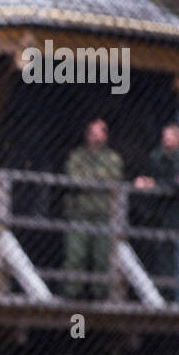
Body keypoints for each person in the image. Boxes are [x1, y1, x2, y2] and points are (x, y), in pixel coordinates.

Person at [134, 123, 179, 305]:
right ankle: (166, 299)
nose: (166, 140)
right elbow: (154, 176)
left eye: (170, 136)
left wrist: (154, 185)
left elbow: (178, 184)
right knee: (164, 260)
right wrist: (149, 182)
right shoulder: (157, 156)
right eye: (164, 136)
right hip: (163, 217)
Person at [63, 119, 123, 300]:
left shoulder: (113, 158)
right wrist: (98, 180)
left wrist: (90, 180)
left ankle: (100, 295)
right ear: (87, 135)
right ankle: (73, 294)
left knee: (102, 257)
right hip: (79, 212)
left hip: (103, 213)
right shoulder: (77, 157)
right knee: (75, 255)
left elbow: (114, 178)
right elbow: (74, 178)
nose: (97, 136)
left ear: (106, 135)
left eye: (101, 132)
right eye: (93, 132)